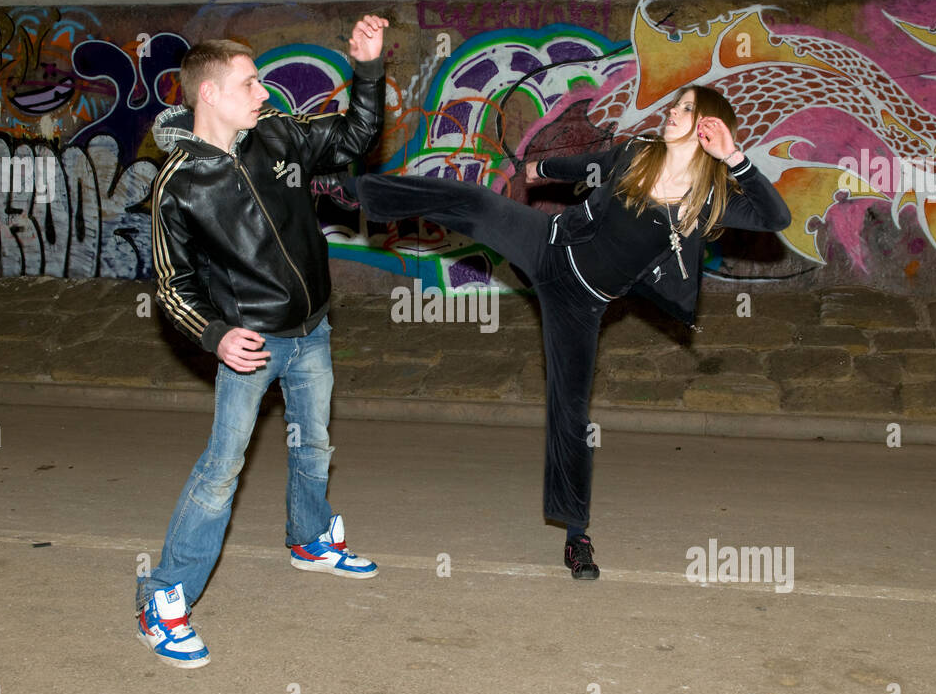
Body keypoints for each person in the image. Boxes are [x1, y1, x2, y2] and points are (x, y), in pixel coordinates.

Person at [337, 85, 791, 580]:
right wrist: (538, 170)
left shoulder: (708, 200)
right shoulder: (637, 154)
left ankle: (577, 535)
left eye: (686, 108)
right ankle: (355, 192)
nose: (672, 112)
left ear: (710, 125)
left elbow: (776, 217)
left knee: (570, 411)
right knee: (471, 200)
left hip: (581, 304)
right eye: (674, 104)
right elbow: (587, 164)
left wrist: (734, 157)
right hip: (549, 246)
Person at [136, 17, 389, 669]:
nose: (263, 92)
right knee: (221, 471)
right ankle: (162, 598)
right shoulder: (179, 186)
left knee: (316, 443)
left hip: (314, 328)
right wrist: (215, 335)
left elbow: (356, 137)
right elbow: (171, 284)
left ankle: (309, 537)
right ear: (211, 94)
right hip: (252, 344)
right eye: (249, 82)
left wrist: (366, 69)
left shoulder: (276, 134)